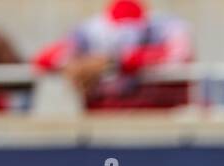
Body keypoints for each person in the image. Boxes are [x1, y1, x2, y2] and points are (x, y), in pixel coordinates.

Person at [33, 0, 193, 111]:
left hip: (158, 118)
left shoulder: (167, 26)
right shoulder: (90, 30)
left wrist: (116, 62)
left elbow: (180, 56)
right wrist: (74, 64)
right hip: (105, 118)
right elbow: (44, 59)